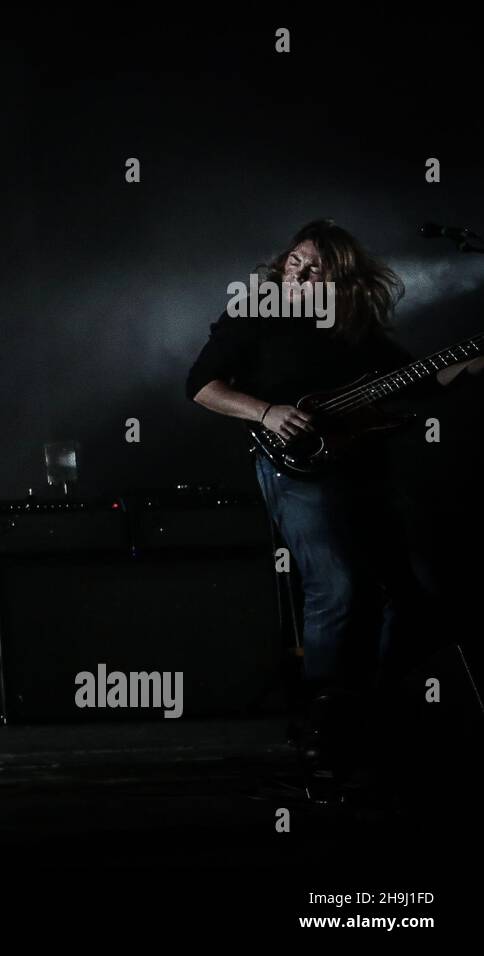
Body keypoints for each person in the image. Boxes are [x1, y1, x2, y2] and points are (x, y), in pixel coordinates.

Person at [186, 219, 482, 774]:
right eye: (293, 261)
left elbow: (418, 380)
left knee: (413, 590)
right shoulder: (254, 312)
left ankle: (372, 707)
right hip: (292, 467)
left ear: (341, 277)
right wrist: (268, 413)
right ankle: (323, 720)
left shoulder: (351, 328)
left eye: (314, 265)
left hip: (361, 466)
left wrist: (470, 365)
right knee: (338, 586)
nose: (297, 271)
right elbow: (201, 385)